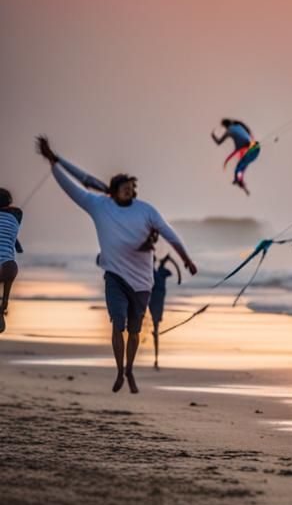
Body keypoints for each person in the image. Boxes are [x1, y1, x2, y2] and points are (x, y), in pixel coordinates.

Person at [36, 136, 197, 393]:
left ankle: (130, 369)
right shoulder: (98, 204)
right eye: (126, 187)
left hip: (143, 282)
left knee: (134, 332)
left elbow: (168, 233)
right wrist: (54, 163)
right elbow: (76, 184)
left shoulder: (146, 210)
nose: (130, 191)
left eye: (132, 187)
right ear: (114, 189)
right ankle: (120, 371)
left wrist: (186, 259)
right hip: (115, 277)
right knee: (117, 324)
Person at [211, 119, 260, 195]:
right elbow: (247, 130)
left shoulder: (229, 131)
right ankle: (240, 183)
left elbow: (218, 142)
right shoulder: (239, 126)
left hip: (249, 150)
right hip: (256, 148)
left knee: (239, 168)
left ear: (225, 126)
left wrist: (213, 135)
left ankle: (239, 181)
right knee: (242, 166)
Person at [149, 253, 181, 369]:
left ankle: (156, 358)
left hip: (157, 301)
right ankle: (156, 358)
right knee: (153, 325)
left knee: (156, 326)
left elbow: (171, 273)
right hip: (152, 300)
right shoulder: (150, 271)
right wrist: (164, 262)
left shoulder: (160, 272)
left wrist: (164, 263)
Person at [0, 188, 24, 334]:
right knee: (7, 277)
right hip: (9, 267)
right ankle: (4, 303)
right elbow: (11, 236)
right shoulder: (17, 215)